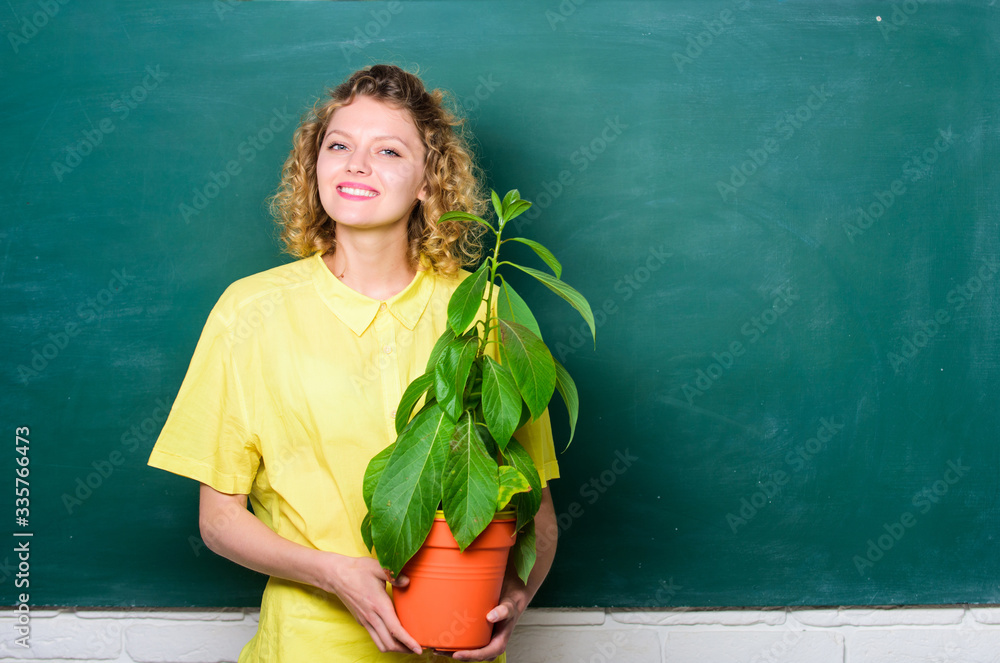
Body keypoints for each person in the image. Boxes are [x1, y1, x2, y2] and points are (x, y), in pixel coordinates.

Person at [147, 64, 559, 663]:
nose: (356, 164)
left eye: (388, 150)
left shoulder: (487, 309)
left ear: (427, 181)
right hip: (307, 648)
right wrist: (332, 572)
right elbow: (219, 520)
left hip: (449, 647)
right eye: (338, 145)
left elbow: (534, 509)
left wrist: (515, 600)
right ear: (314, 167)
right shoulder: (251, 310)